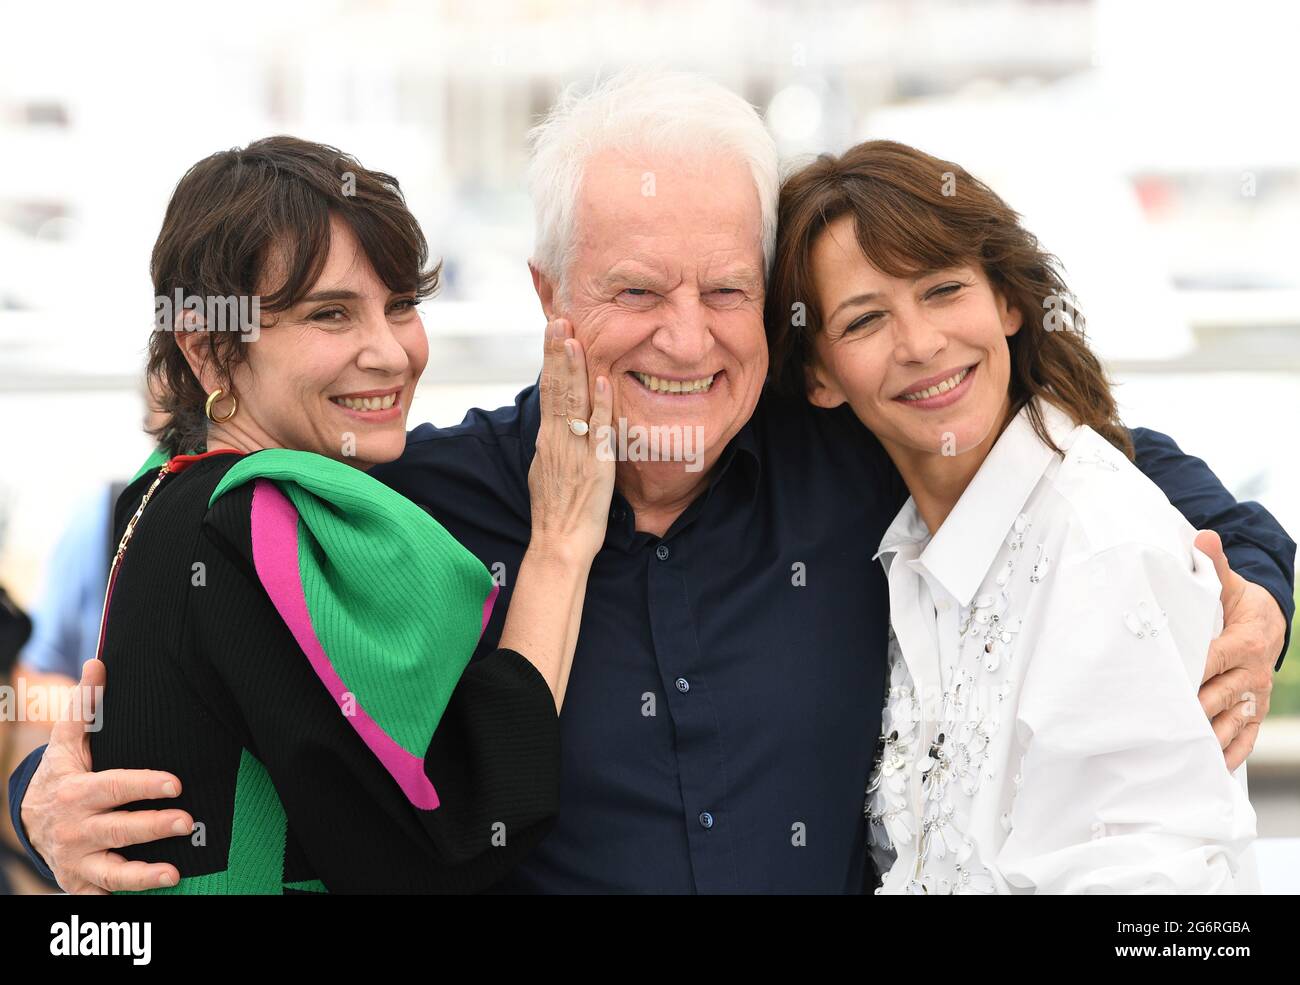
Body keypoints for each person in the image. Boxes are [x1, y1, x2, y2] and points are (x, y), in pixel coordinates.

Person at [10, 73, 1296, 894]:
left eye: (725, 291)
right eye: (633, 293)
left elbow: (1094, 459)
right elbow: (156, 643)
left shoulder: (856, 455)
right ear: (546, 296)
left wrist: (1260, 583)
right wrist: (39, 807)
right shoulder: (414, 508)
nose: (687, 341)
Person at [11, 135, 614, 894]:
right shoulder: (242, 525)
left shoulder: (164, 493)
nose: (391, 352)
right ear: (210, 350)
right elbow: (441, 841)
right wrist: (560, 544)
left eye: (400, 305)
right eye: (331, 314)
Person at [766, 140, 1261, 893]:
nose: (922, 344)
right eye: (866, 320)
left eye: (941, 289)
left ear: (1008, 302)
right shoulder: (905, 544)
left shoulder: (1100, 545)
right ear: (820, 375)